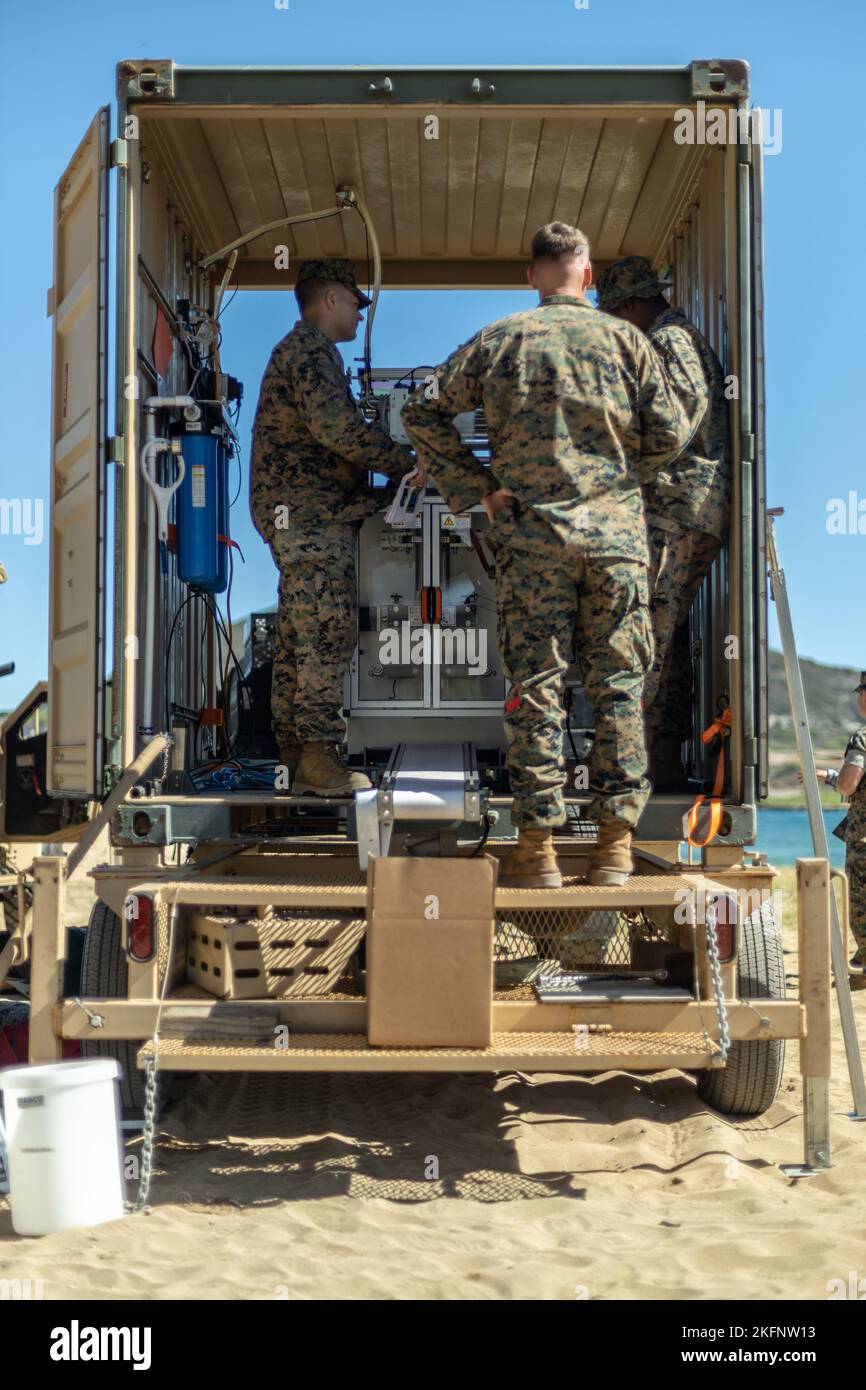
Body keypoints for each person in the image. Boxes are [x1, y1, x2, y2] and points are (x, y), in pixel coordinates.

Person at [402, 223, 693, 888]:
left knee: (537, 692)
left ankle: (538, 852)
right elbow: (674, 430)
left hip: (533, 541)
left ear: (532, 275)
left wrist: (478, 492)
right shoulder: (627, 341)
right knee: (618, 689)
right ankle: (615, 848)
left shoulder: (501, 339)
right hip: (617, 543)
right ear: (587, 278)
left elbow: (421, 411)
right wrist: (618, 480)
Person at [250, 258, 414, 795]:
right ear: (331, 300)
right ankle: (319, 759)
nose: (361, 315)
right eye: (356, 303)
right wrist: (405, 464)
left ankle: (298, 757)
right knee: (327, 632)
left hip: (304, 512)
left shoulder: (302, 354)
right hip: (309, 515)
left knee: (299, 636)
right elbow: (337, 430)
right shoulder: (309, 354)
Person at [595, 256, 731, 786]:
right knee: (665, 637)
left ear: (629, 305)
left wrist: (617, 475)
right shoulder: (676, 337)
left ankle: (626, 763)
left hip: (674, 508)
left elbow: (672, 426)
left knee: (641, 631)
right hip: (687, 508)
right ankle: (662, 758)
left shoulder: (669, 340)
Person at [809, 671, 866, 985]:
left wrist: (832, 777)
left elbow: (848, 784)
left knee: (860, 902)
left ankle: (863, 967)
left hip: (864, 838)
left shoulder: (863, 738)